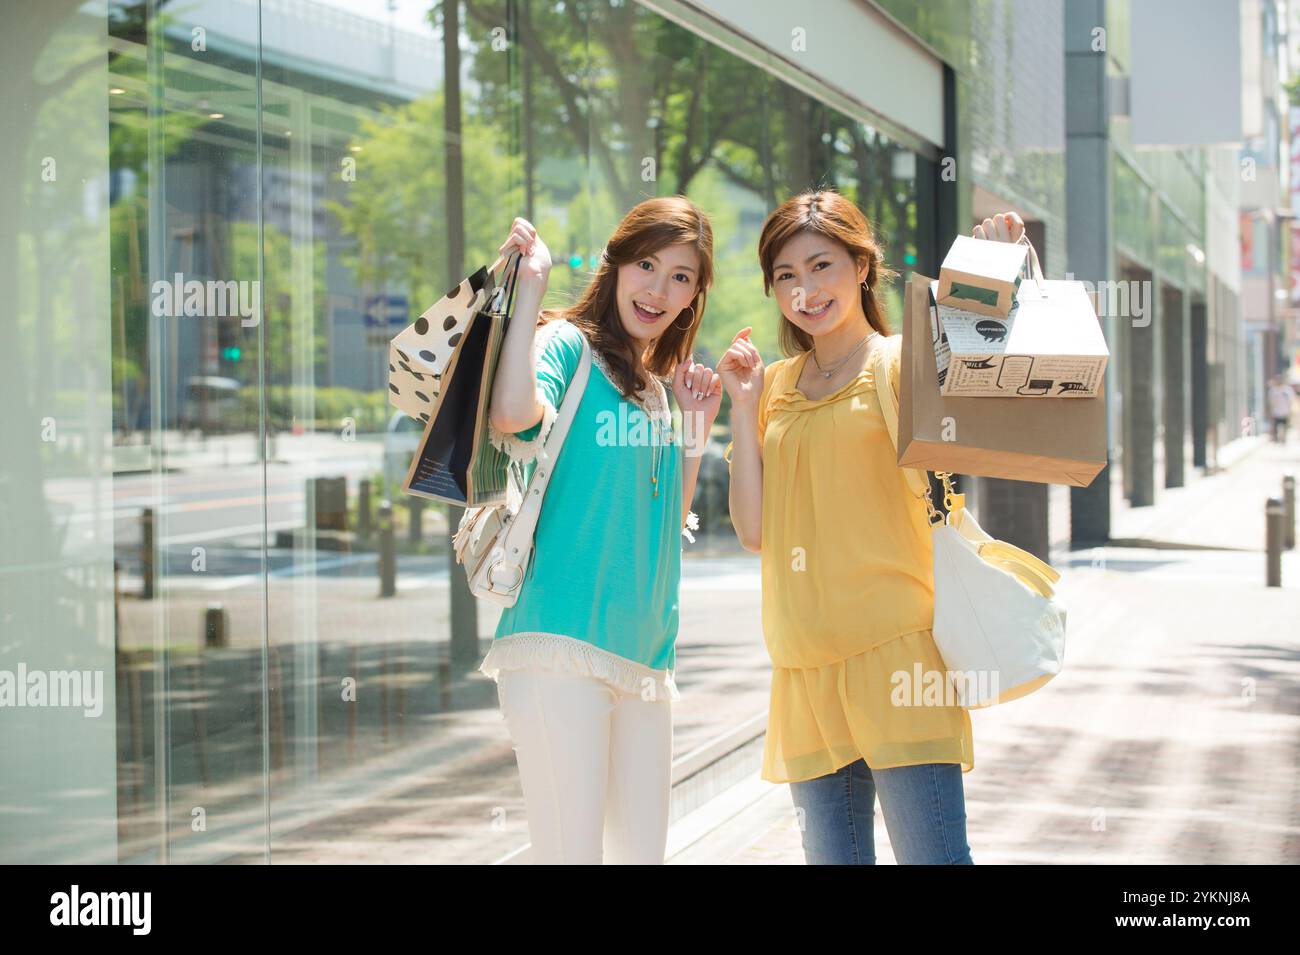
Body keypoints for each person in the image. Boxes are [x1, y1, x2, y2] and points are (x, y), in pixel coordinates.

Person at [719, 190, 1024, 864]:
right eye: (786, 276)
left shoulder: (896, 360)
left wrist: (993, 268)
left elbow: (980, 362)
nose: (805, 289)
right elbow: (752, 530)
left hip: (897, 661)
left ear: (863, 266)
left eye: (821, 265)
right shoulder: (772, 385)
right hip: (804, 669)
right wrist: (742, 410)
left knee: (935, 859)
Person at [481, 197, 722, 864]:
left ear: (694, 294)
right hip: (560, 644)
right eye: (647, 263)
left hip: (644, 659)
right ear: (616, 263)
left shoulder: (654, 390)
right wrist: (533, 288)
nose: (657, 288)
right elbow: (511, 415)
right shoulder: (567, 347)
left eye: (680, 275)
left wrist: (694, 428)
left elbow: (663, 524)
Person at [1267, 376, 1294, 443]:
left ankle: (1283, 438)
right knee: (1276, 426)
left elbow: (1291, 400)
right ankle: (1276, 439)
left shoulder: (1287, 390)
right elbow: (1270, 401)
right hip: (1276, 412)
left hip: (1285, 412)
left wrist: (1290, 410)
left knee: (1285, 426)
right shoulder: (1273, 390)